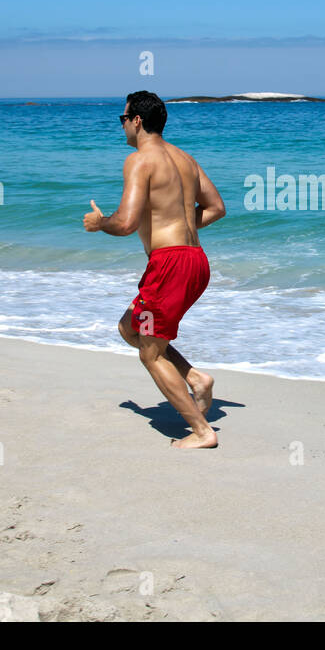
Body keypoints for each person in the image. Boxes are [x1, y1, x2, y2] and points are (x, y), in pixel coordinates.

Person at [84, 91, 226, 448]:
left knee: (150, 352)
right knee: (129, 327)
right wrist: (178, 223)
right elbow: (216, 208)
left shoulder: (139, 160)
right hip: (196, 262)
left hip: (170, 265)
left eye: (123, 118)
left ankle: (201, 432)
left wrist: (100, 223)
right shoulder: (185, 158)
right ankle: (196, 378)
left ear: (137, 121)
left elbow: (127, 222)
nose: (122, 125)